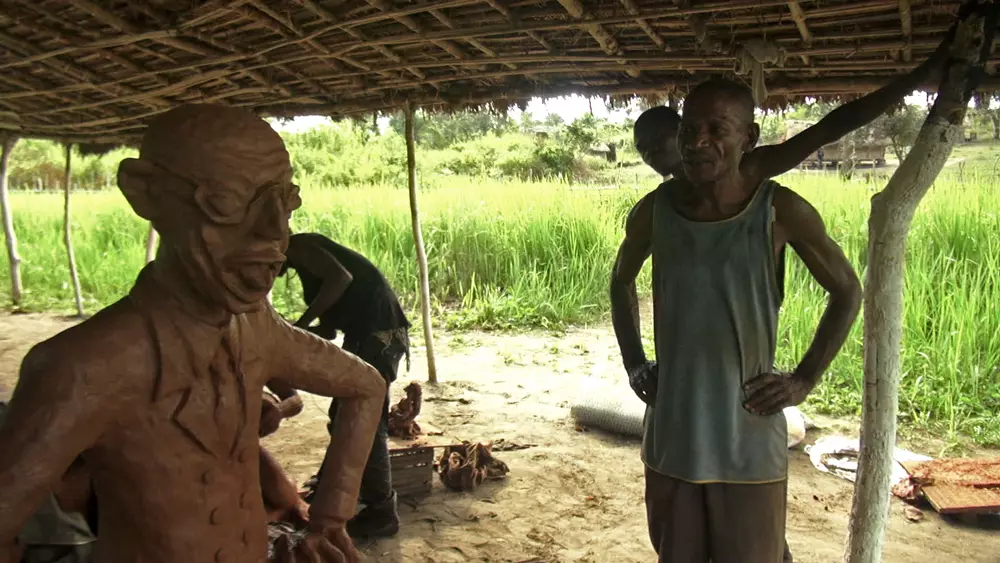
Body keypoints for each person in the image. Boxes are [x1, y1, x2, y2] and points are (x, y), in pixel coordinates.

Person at [0, 104, 387, 563]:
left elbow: (366, 386)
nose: (274, 234)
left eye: (284, 204)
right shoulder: (84, 369)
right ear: (145, 193)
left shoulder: (256, 326)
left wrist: (330, 520)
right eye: (224, 202)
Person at [610, 42, 950, 561]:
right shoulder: (653, 213)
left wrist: (805, 377)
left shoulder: (777, 210)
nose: (698, 143)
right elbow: (620, 282)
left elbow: (847, 290)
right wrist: (635, 364)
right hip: (673, 434)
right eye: (687, 131)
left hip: (748, 434)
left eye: (717, 130)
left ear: (749, 138)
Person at [274, 232, 411, 539]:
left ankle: (382, 511)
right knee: (344, 418)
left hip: (380, 337)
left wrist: (301, 324)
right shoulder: (305, 265)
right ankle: (330, 487)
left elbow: (340, 278)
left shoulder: (300, 245)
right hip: (367, 336)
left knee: (363, 421)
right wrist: (294, 335)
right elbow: (329, 328)